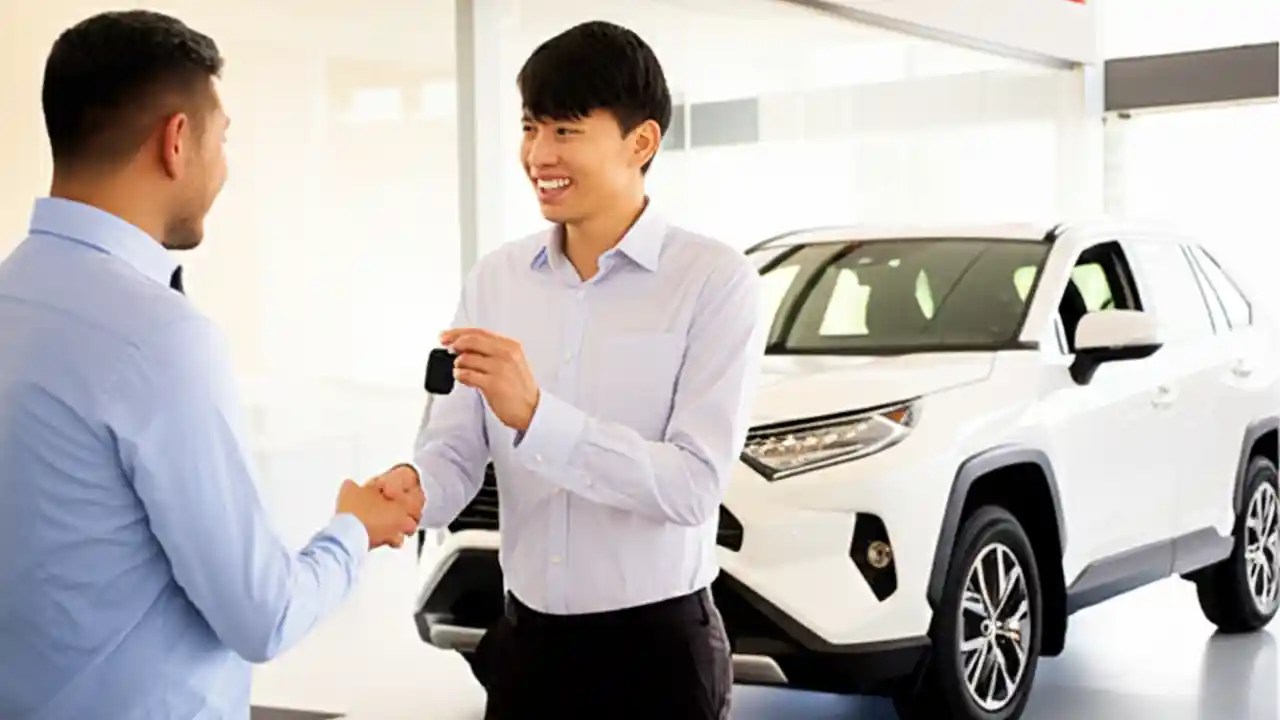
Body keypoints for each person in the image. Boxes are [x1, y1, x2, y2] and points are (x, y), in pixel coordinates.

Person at [0, 11, 422, 719]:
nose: (224, 168)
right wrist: (355, 528)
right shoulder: (157, 336)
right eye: (222, 139)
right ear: (177, 140)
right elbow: (262, 616)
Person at [374, 20, 764, 720]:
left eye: (565, 131)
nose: (537, 154)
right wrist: (413, 489)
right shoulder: (498, 279)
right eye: (530, 127)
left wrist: (537, 415)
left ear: (640, 142)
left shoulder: (713, 280)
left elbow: (692, 487)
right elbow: (456, 450)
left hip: (659, 657)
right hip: (526, 648)